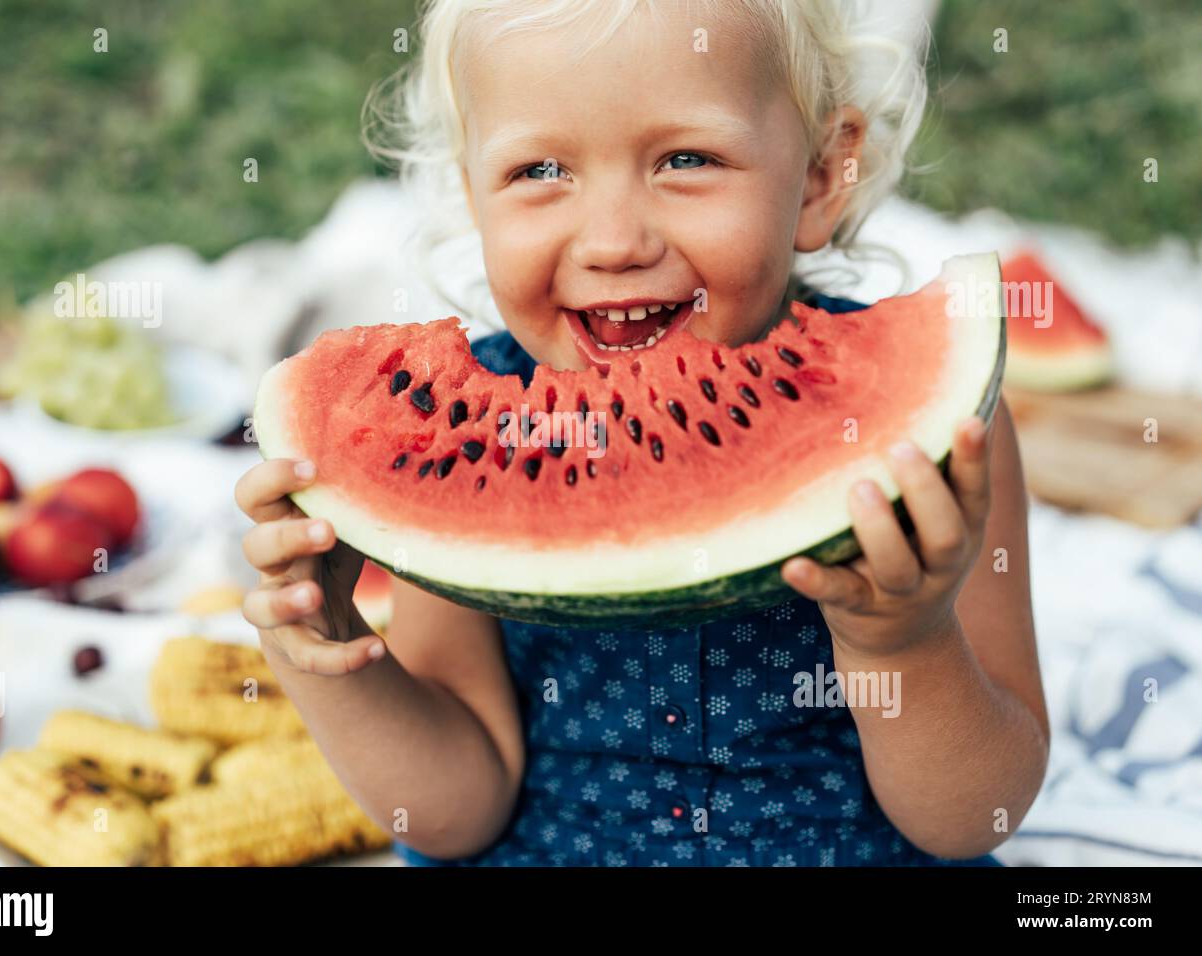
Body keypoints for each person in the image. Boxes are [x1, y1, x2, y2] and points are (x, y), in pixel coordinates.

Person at [235, 0, 1048, 866]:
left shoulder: (939, 441)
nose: (614, 242)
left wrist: (905, 641)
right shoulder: (465, 440)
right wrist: (328, 648)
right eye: (540, 169)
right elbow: (452, 811)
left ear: (819, 176)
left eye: (686, 159)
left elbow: (974, 821)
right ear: (473, 197)